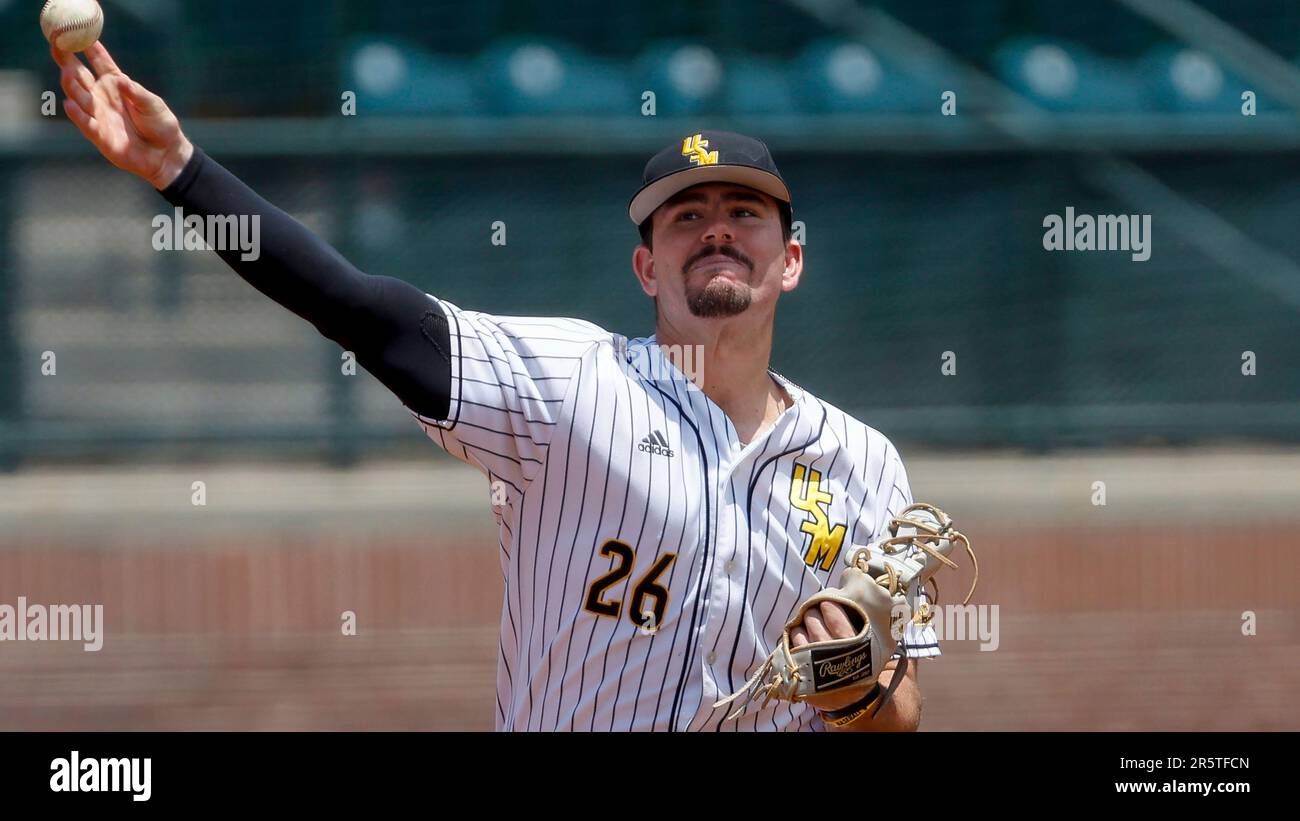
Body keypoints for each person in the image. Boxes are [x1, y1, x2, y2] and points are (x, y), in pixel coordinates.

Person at [52, 42, 938, 731]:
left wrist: (858, 694)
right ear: (645, 264)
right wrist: (185, 174)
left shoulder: (863, 465)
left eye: (744, 211)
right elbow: (361, 309)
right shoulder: (569, 385)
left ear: (790, 260)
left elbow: (903, 710)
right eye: (686, 216)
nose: (715, 230)